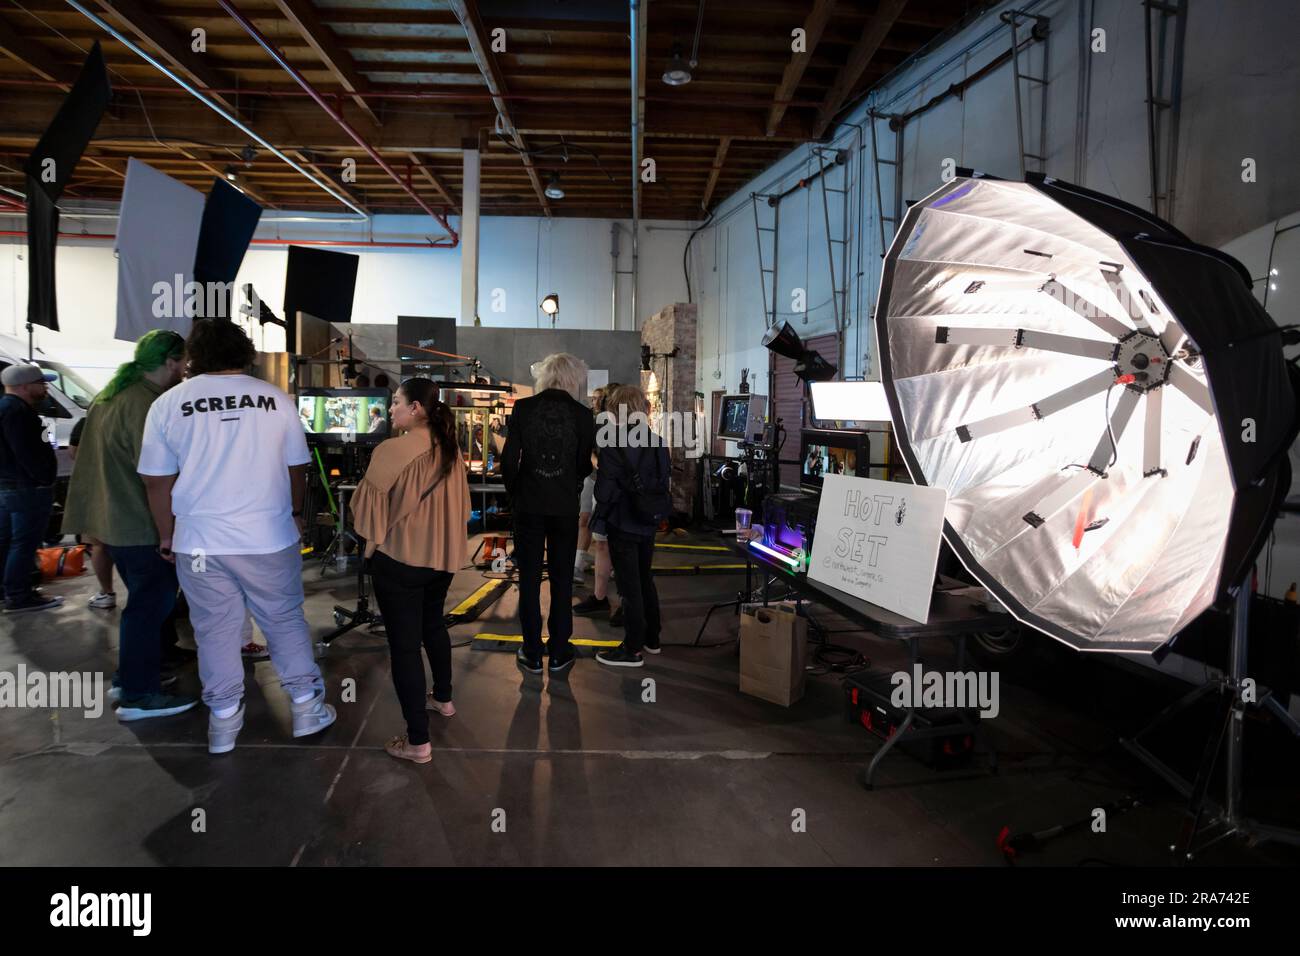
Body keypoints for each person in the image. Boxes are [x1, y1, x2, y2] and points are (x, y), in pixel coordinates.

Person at [138, 319, 336, 754]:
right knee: (282, 618)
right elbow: (296, 468)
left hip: (201, 541)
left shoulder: (169, 404)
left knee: (214, 629)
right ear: (246, 353)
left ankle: (223, 723)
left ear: (193, 358)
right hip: (267, 535)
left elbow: (156, 481)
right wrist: (294, 514)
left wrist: (168, 535)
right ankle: (305, 707)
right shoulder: (276, 400)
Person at [63, 330, 198, 720]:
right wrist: (169, 531)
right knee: (146, 607)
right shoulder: (146, 405)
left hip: (113, 522)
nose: (185, 371)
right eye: (184, 364)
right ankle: (138, 695)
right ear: (172, 362)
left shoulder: (111, 396)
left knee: (144, 604)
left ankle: (133, 675)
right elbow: (156, 476)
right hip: (140, 525)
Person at [352, 378, 470, 764]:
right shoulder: (450, 448)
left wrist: (373, 540)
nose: (391, 410)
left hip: (400, 561)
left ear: (416, 408)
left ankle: (418, 742)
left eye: (397, 403)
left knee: (404, 647)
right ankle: (444, 699)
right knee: (432, 626)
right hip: (443, 562)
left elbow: (365, 513)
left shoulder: (394, 450)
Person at [501, 353, 595, 675]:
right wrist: (568, 482)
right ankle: (557, 652)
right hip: (564, 508)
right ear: (572, 378)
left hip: (528, 505)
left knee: (527, 579)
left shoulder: (524, 408)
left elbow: (509, 461)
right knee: (561, 579)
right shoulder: (584, 415)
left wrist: (517, 494)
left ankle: (530, 650)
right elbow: (584, 464)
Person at [593, 384, 669, 668]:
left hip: (622, 523)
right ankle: (653, 638)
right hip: (648, 522)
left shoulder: (612, 445)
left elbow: (603, 493)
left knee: (629, 586)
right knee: (645, 578)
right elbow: (662, 484)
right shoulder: (659, 442)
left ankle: (632, 648)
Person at [0, 363, 61, 614]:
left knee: (6, 541)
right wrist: (44, 478)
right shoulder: (18, 412)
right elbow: (26, 451)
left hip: (8, 486)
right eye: (41, 383)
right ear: (25, 386)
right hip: (26, 488)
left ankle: (8, 591)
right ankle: (18, 595)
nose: (45, 387)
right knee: (24, 543)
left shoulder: (7, 407)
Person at [574, 384, 620, 623]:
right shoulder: (598, 423)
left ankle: (624, 602)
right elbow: (591, 451)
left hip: (615, 489)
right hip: (597, 481)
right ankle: (598, 594)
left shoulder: (629, 429)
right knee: (599, 538)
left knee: (615, 542)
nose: (597, 402)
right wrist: (598, 464)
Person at [69, 415, 116, 609]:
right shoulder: (142, 411)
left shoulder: (88, 421)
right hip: (129, 490)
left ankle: (107, 593)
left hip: (96, 487)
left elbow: (74, 453)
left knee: (99, 544)